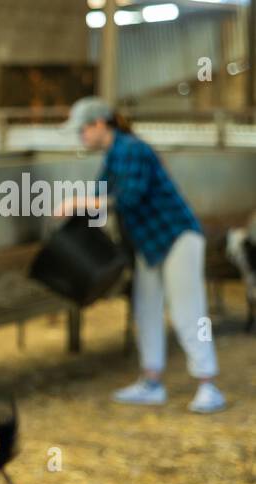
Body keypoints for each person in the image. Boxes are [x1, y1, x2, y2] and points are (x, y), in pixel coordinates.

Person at [60, 97, 225, 413]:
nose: (81, 137)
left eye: (82, 130)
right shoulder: (113, 155)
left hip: (176, 235)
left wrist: (79, 204)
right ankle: (152, 382)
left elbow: (128, 198)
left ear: (99, 124)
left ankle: (208, 384)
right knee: (146, 308)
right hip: (147, 244)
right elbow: (100, 195)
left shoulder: (132, 149)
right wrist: (80, 211)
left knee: (187, 309)